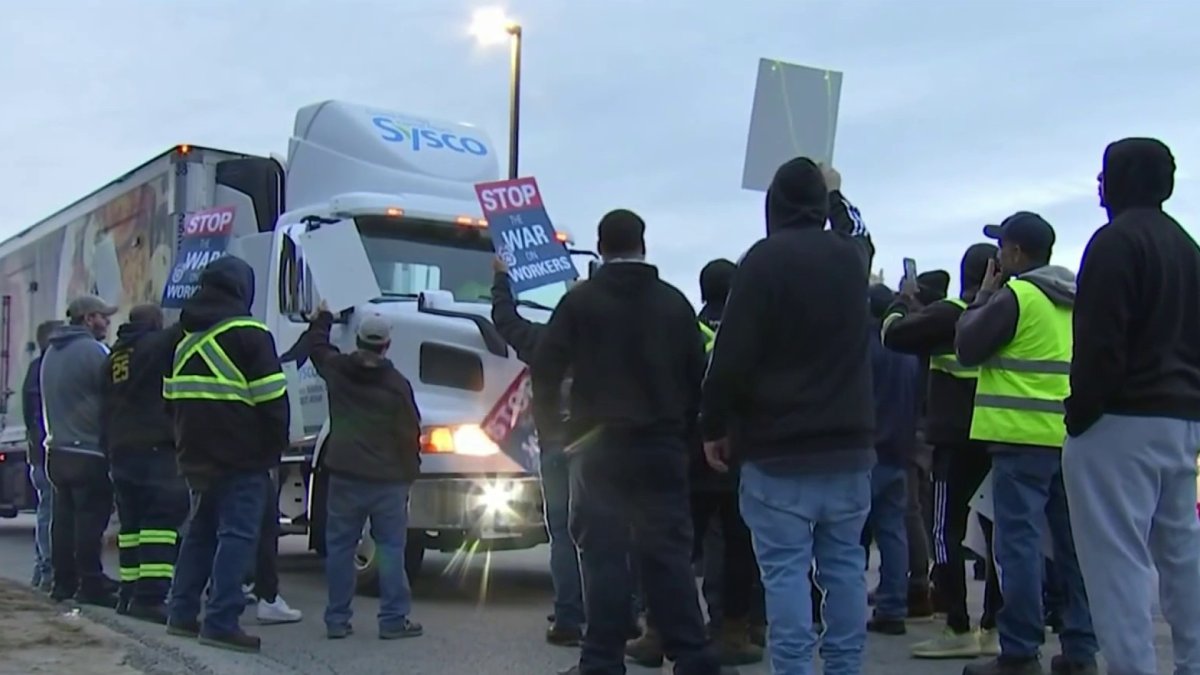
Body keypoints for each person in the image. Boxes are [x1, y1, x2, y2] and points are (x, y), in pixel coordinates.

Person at [532, 209, 733, 675]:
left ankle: (601, 660)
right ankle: (694, 656)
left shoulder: (580, 302)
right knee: (668, 557)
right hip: (662, 447)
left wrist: (553, 433)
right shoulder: (673, 303)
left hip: (597, 450)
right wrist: (689, 432)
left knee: (602, 556)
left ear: (601, 248)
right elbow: (697, 376)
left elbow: (545, 367)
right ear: (643, 244)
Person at [700, 160, 875, 675]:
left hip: (778, 448)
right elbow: (860, 232)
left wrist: (713, 425)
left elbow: (731, 355)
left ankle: (794, 668)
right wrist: (838, 193)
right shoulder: (851, 260)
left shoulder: (762, 261)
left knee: (785, 573)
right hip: (849, 448)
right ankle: (845, 666)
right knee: (845, 567)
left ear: (772, 206)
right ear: (821, 207)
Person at [1063, 137, 1200, 675]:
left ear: (1118, 182)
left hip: (1119, 421)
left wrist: (1081, 415)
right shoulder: (1188, 248)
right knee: (1182, 554)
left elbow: (1100, 345)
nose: (1099, 186)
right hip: (1182, 420)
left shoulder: (1114, 243)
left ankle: (1132, 667)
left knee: (1117, 561)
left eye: (1104, 175)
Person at [954, 213, 1097, 675]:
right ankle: (1079, 650)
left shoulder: (1019, 295)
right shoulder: (1077, 300)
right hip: (1068, 439)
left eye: (1002, 249)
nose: (997, 257)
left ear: (1016, 254)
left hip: (1019, 441)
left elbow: (967, 347)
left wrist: (983, 295)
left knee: (1019, 546)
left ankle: (1019, 652)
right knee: (1073, 548)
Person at [630, 258, 764, 668]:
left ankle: (656, 632)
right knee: (741, 549)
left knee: (673, 549)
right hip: (742, 455)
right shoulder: (749, 334)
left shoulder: (687, 328)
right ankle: (735, 632)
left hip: (689, 454)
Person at [882, 244, 1003, 659]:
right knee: (996, 535)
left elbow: (893, 335)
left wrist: (902, 302)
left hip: (954, 440)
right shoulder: (1009, 313)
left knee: (945, 531)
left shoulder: (950, 312)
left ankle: (957, 625)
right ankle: (993, 625)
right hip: (997, 435)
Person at [163, 256, 289, 653]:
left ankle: (181, 612)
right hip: (243, 459)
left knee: (199, 534)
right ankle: (220, 620)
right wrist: (272, 450)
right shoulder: (250, 334)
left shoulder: (183, 341)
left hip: (197, 459)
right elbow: (274, 404)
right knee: (237, 536)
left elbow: (171, 404)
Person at [299, 302, 424, 641]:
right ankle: (393, 620)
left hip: (344, 475)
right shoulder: (397, 385)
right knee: (391, 549)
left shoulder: (338, 369)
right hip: (387, 482)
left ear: (357, 340)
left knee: (340, 547)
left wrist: (322, 318)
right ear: (386, 345)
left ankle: (337, 620)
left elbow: (316, 347)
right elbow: (409, 434)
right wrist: (409, 474)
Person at [490, 256, 585, 647]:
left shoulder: (544, 340)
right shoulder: (612, 345)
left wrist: (501, 279)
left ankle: (568, 617)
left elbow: (505, 320)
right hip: (599, 449)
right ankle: (619, 614)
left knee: (562, 534)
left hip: (554, 446)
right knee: (608, 534)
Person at [102, 304, 190, 623]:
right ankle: (151, 597)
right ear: (154, 323)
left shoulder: (113, 357)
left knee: (132, 525)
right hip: (153, 447)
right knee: (160, 522)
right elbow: (184, 328)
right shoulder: (154, 345)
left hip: (120, 448)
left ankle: (129, 592)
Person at [42, 295, 120, 607]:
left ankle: (63, 582)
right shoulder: (93, 351)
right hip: (88, 451)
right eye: (103, 316)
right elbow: (115, 395)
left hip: (57, 450)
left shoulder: (52, 352)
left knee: (63, 521)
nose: (108, 322)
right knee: (90, 520)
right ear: (88, 319)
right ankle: (91, 582)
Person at [865, 284, 921, 637]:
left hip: (865, 451)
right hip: (900, 449)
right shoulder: (906, 351)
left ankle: (827, 606)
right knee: (892, 532)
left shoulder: (861, 348)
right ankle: (893, 607)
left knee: (843, 536)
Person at [23, 319, 62, 592]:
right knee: (50, 511)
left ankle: (42, 568)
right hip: (47, 453)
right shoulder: (45, 370)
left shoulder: (35, 369)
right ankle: (47, 568)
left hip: (38, 453)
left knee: (45, 510)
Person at [243, 474, 303, 624]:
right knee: (263, 530)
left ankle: (185, 607)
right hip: (249, 466)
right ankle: (268, 598)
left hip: (219, 466)